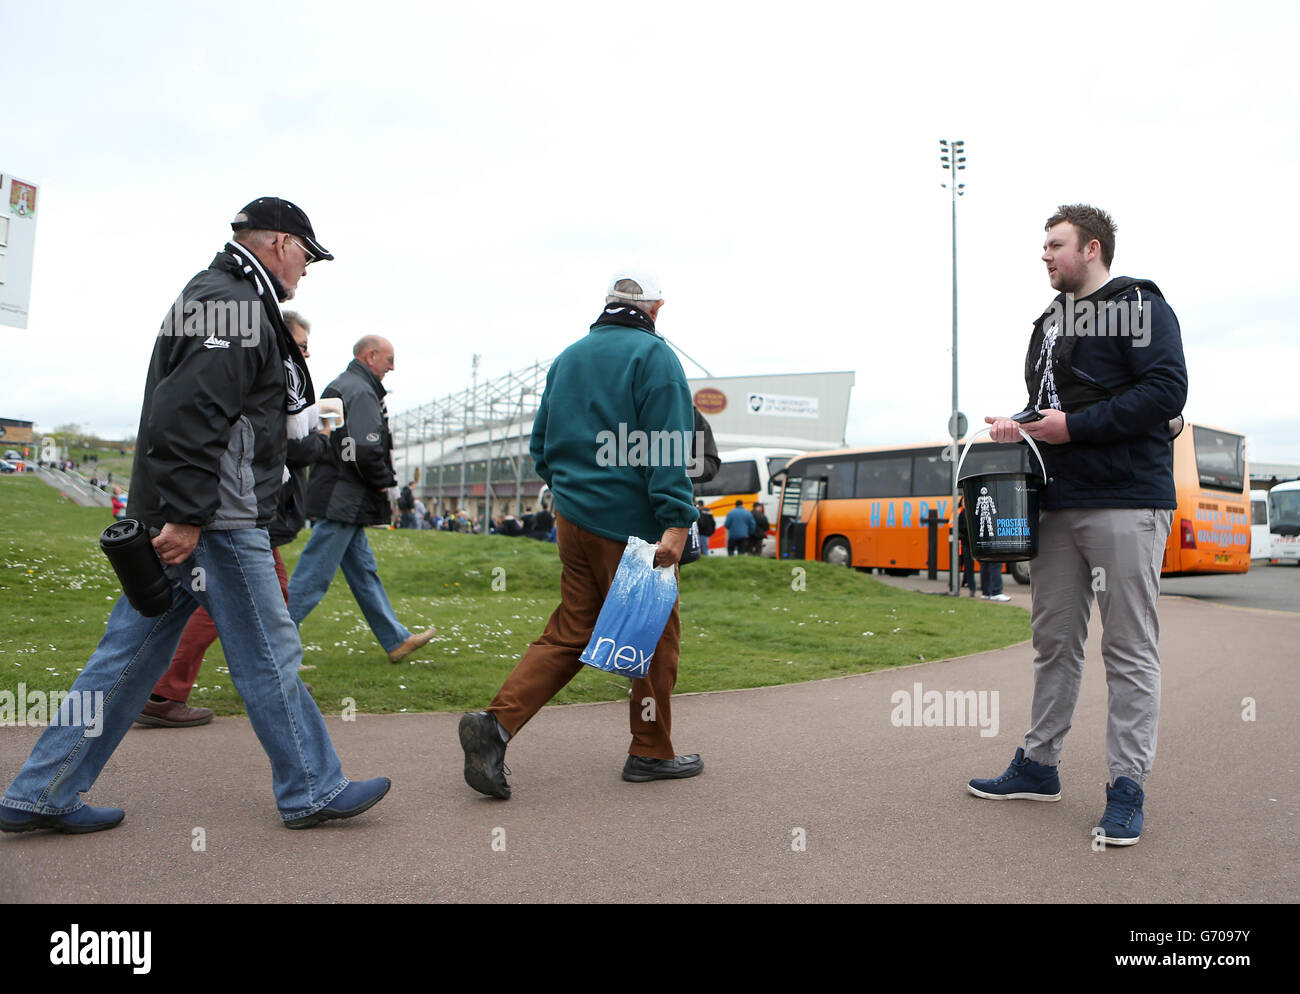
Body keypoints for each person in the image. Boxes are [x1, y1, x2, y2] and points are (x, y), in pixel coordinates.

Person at [0, 197, 390, 833]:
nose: (308, 269)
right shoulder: (234, 302)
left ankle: (40, 790)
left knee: (127, 661)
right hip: (217, 518)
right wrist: (186, 516)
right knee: (269, 652)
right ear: (281, 244)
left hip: (199, 510)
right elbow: (193, 414)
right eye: (307, 256)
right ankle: (312, 788)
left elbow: (216, 414)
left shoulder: (225, 296)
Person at [967, 204, 1187, 847]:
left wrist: (1075, 428)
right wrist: (1020, 422)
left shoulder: (1139, 305)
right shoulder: (1046, 324)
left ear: (1091, 249)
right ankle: (1038, 767)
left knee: (1128, 649)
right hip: (1056, 502)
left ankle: (1126, 790)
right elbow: (1050, 406)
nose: (1045, 254)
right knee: (1053, 642)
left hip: (1125, 499)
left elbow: (1166, 392)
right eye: (1043, 245)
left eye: (1055, 244)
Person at [459, 270, 701, 799]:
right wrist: (677, 521)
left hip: (572, 519)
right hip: (634, 528)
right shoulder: (655, 357)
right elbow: (666, 448)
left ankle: (495, 725)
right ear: (656, 308)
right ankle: (651, 751)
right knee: (655, 635)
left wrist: (573, 491)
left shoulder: (569, 357)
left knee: (572, 630)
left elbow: (541, 446)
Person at [135, 311, 329, 729]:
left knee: (235, 599)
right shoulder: (261, 370)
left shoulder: (268, 371)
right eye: (301, 343)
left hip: (244, 510)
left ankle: (165, 690)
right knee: (235, 602)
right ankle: (166, 690)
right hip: (241, 513)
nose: (307, 352)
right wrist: (320, 443)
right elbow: (276, 445)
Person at [288, 335, 435, 663]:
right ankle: (272, 646)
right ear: (371, 357)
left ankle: (395, 640)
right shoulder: (363, 392)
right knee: (313, 577)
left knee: (364, 571)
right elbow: (368, 449)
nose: (392, 367)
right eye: (389, 359)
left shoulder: (335, 387)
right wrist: (384, 483)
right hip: (346, 499)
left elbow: (324, 441)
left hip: (333, 493)